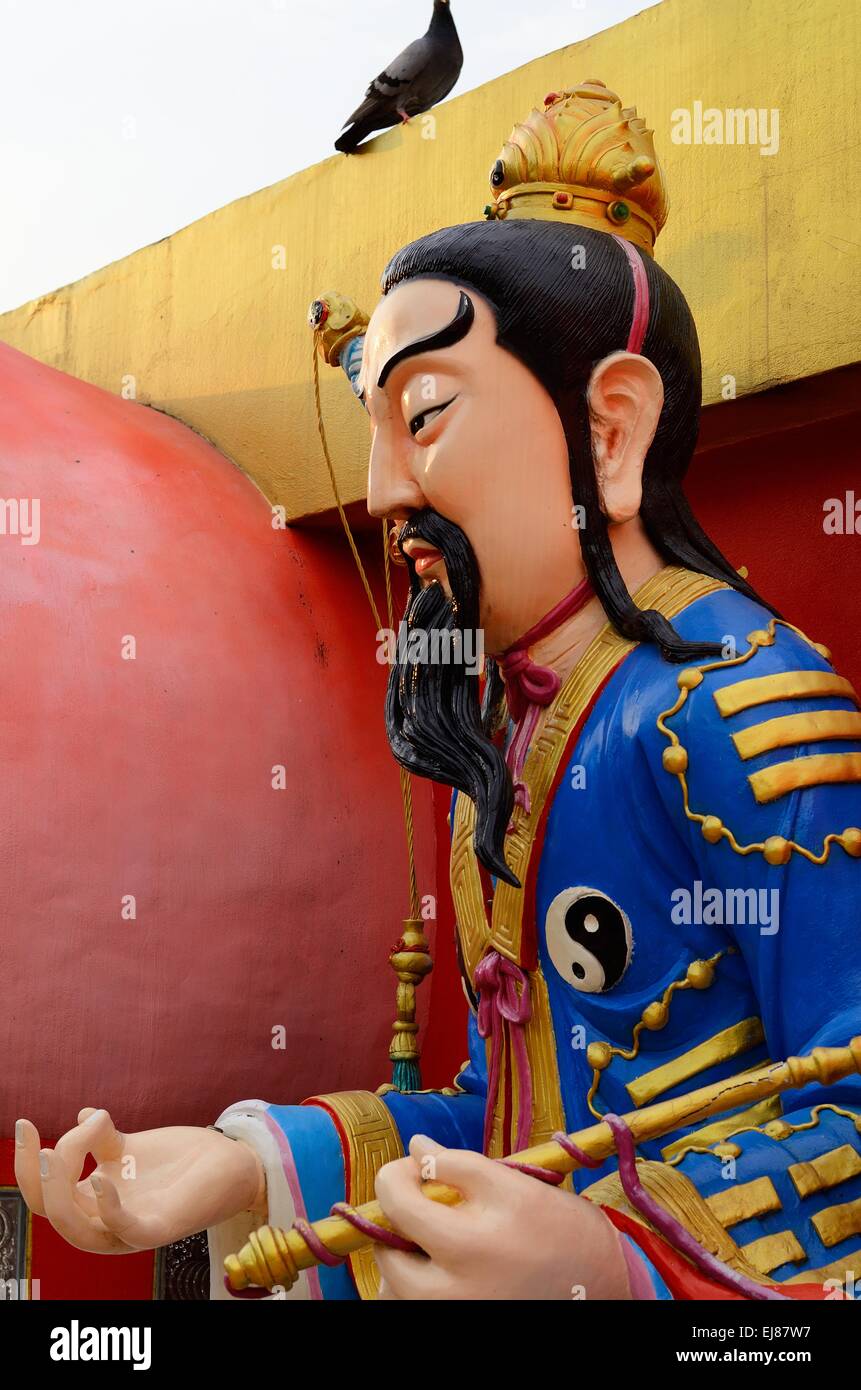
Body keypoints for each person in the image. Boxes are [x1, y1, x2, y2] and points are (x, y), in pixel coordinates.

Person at [16, 81, 861, 1301]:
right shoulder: (503, 744)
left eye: (425, 416)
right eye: (375, 429)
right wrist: (243, 1161)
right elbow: (505, 1113)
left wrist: (620, 1274)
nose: (380, 492)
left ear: (610, 431)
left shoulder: (746, 714)